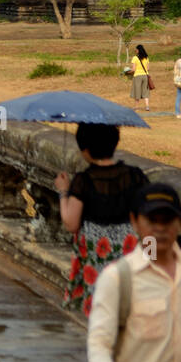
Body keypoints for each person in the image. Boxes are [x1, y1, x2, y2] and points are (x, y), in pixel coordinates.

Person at [87, 183, 181, 362]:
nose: (160, 228)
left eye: (167, 219)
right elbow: (99, 345)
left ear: (180, 222)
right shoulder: (119, 278)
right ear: (135, 222)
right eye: (152, 220)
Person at [55, 122, 148, 315]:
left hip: (98, 264)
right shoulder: (135, 177)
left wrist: (63, 191)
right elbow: (151, 223)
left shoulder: (84, 181)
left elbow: (71, 223)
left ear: (85, 150)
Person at [129, 44, 152, 111]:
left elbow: (133, 69)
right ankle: (147, 106)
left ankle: (136, 107)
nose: (135, 51)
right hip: (145, 76)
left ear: (138, 50)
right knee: (145, 91)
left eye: (136, 49)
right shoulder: (146, 57)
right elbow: (148, 68)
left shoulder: (135, 58)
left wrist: (127, 72)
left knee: (137, 91)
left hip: (137, 76)